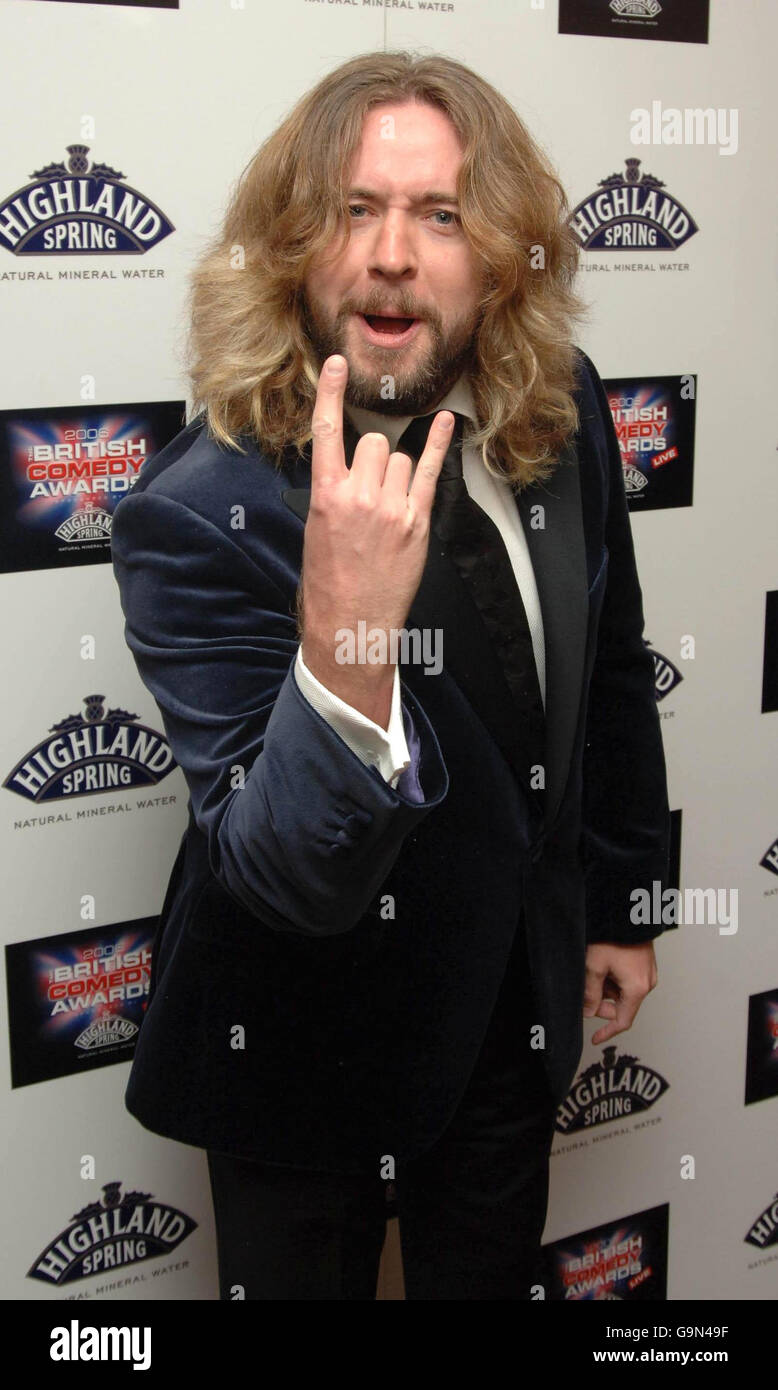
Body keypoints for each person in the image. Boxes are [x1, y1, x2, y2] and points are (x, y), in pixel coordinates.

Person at [110, 51, 671, 1300]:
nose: (393, 255)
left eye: (442, 215)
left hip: (508, 1020)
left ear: (506, 251)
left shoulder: (559, 404)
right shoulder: (200, 510)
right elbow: (279, 868)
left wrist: (626, 901)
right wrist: (347, 637)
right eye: (354, 210)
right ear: (292, 246)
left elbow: (613, 660)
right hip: (303, 1044)